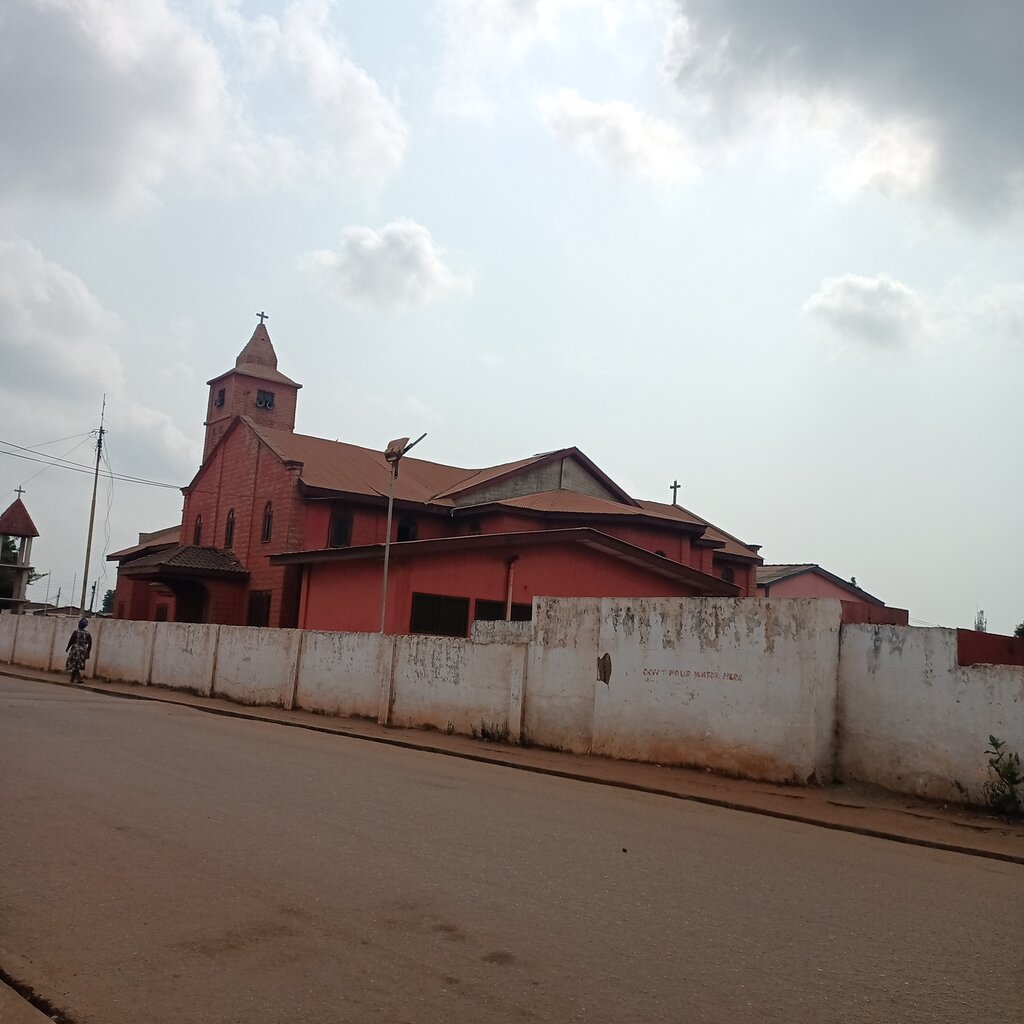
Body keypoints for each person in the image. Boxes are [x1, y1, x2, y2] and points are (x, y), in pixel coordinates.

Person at [66, 618, 92, 685]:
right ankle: (73, 679)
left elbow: (71, 641)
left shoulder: (76, 632)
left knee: (74, 664)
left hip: (75, 649)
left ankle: (77, 678)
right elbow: (90, 644)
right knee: (77, 665)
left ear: (79, 624)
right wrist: (88, 653)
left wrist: (67, 648)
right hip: (83, 650)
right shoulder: (87, 634)